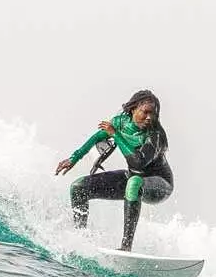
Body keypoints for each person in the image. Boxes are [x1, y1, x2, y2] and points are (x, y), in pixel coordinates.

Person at [54, 89, 173, 251]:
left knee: (134, 183)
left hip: (160, 184)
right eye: (145, 112)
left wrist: (116, 135)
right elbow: (97, 137)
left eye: (153, 114)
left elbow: (137, 163)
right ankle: (80, 239)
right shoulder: (120, 122)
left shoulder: (155, 135)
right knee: (78, 187)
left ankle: (125, 247)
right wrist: (73, 158)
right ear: (133, 109)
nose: (149, 117)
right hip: (133, 178)